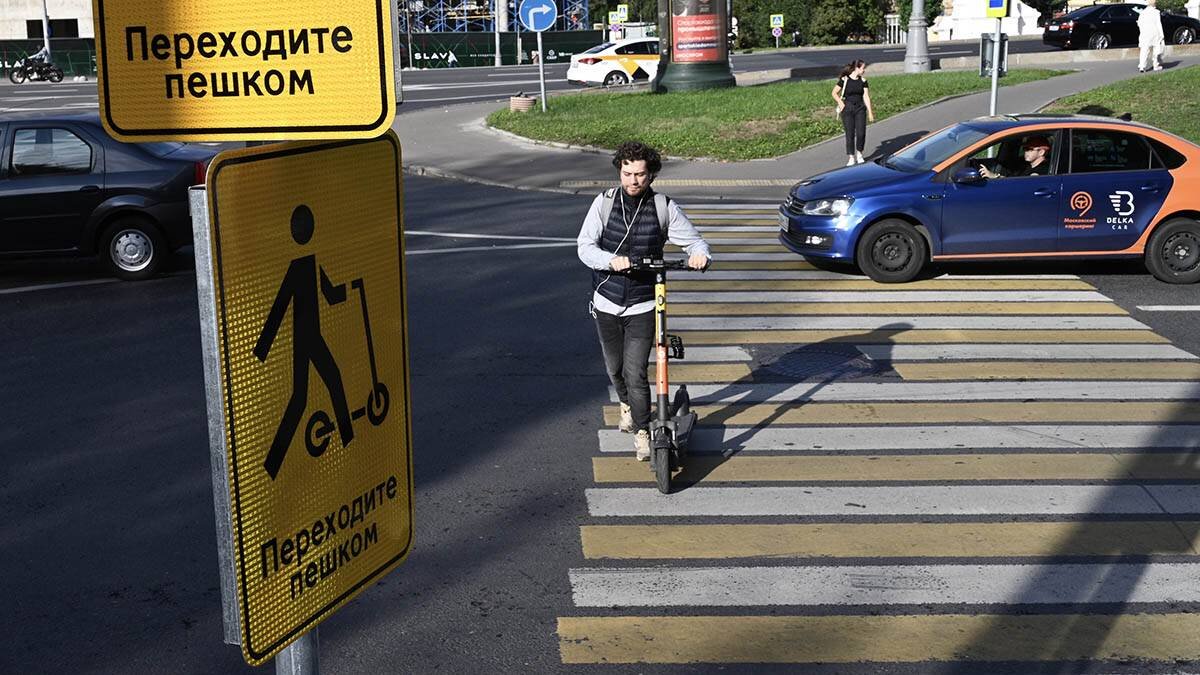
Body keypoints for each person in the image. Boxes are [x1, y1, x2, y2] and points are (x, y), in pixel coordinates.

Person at [577, 142, 711, 461]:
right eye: (627, 174)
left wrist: (699, 255)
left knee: (636, 372)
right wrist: (611, 261)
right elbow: (584, 246)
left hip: (644, 305)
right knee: (615, 370)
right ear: (619, 171)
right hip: (607, 302)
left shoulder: (664, 207)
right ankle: (626, 404)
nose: (633, 181)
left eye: (639, 174)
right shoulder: (604, 203)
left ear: (651, 175)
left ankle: (641, 430)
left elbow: (695, 241)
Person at [832, 60, 875, 166]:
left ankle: (859, 153)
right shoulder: (844, 80)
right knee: (850, 134)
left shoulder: (863, 81)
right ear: (856, 68)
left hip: (860, 108)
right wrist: (840, 103)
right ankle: (851, 157)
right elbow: (834, 93)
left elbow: (866, 96)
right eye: (862, 68)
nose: (864, 70)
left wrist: (870, 112)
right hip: (847, 109)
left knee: (861, 133)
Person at [979, 136, 1052, 179]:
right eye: (1024, 149)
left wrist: (995, 176)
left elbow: (1020, 186)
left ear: (1041, 152)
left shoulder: (1043, 171)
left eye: (1029, 149)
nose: (1026, 152)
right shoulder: (1024, 164)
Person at [1137, 0, 1165, 73]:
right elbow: (1158, 24)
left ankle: (1142, 66)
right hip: (1155, 33)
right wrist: (1162, 35)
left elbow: (1139, 23)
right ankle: (1156, 65)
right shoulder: (1156, 12)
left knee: (1144, 50)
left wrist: (1142, 31)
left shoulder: (1142, 13)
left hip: (1145, 34)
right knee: (1156, 49)